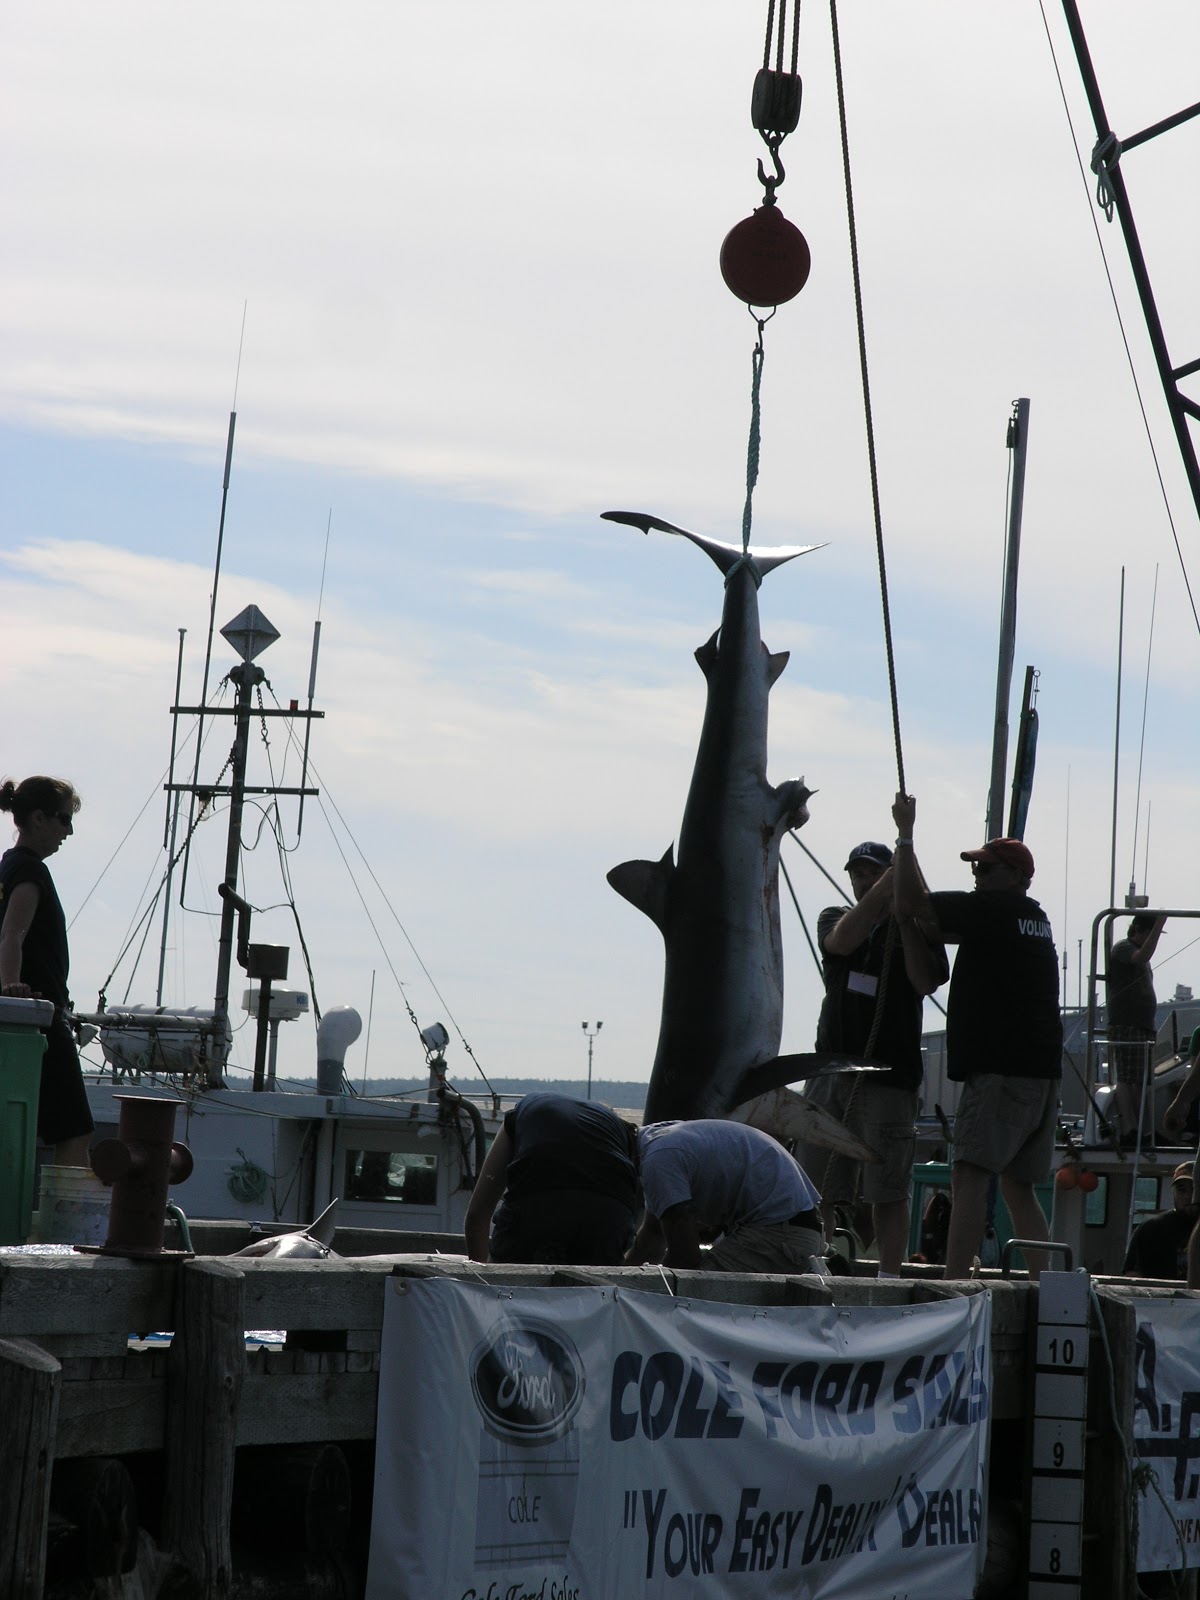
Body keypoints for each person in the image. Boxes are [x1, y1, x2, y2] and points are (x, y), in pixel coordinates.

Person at [891, 794, 1062, 1281]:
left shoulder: (995, 911)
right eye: (977, 869)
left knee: (968, 1172)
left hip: (1002, 1072)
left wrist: (905, 835)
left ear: (1018, 877)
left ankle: (953, 1287)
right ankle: (1047, 1283)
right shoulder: (1036, 919)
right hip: (1040, 1075)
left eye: (988, 870)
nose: (978, 877)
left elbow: (910, 906)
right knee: (1017, 1184)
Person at [798, 840, 947, 1274]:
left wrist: (903, 916)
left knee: (888, 1189)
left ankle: (888, 1275)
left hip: (888, 1077)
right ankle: (815, 1265)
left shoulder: (918, 930)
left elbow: (925, 982)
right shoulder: (834, 916)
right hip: (830, 1071)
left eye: (873, 873)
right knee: (814, 1183)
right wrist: (887, 887)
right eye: (857, 874)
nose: (864, 882)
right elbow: (840, 943)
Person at [0, 776, 93, 1165]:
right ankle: (66, 1222)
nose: (68, 831)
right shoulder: (31, 871)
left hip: (23, 1021)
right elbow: (11, 936)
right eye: (63, 819)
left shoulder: (8, 864)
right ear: (38, 818)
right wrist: (12, 987)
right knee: (74, 1131)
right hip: (40, 1018)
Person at [626, 1119, 826, 1273]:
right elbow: (653, 1234)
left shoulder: (658, 1160)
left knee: (692, 1294)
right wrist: (616, 1281)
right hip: (801, 1226)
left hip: (782, 1234)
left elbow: (684, 1259)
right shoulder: (656, 1140)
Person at [464, 1093, 639, 1265]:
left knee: (511, 1285)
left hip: (537, 1207)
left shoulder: (525, 1111)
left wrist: (479, 1281)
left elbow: (477, 1214)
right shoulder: (618, 1130)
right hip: (610, 1217)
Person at [1105, 913, 1167, 1147]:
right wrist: (1159, 923)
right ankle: (1130, 1129)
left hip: (1142, 1026)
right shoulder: (1123, 948)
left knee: (1143, 1080)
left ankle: (1146, 1131)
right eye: (1152, 934)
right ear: (1140, 930)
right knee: (1128, 1078)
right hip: (1126, 1025)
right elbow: (1141, 956)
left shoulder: (1137, 952)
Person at [1122, 1163, 1197, 1279]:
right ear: (1174, 1192)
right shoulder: (1150, 1229)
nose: (1187, 1196)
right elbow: (1132, 1277)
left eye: (1194, 1189)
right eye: (1181, 1190)